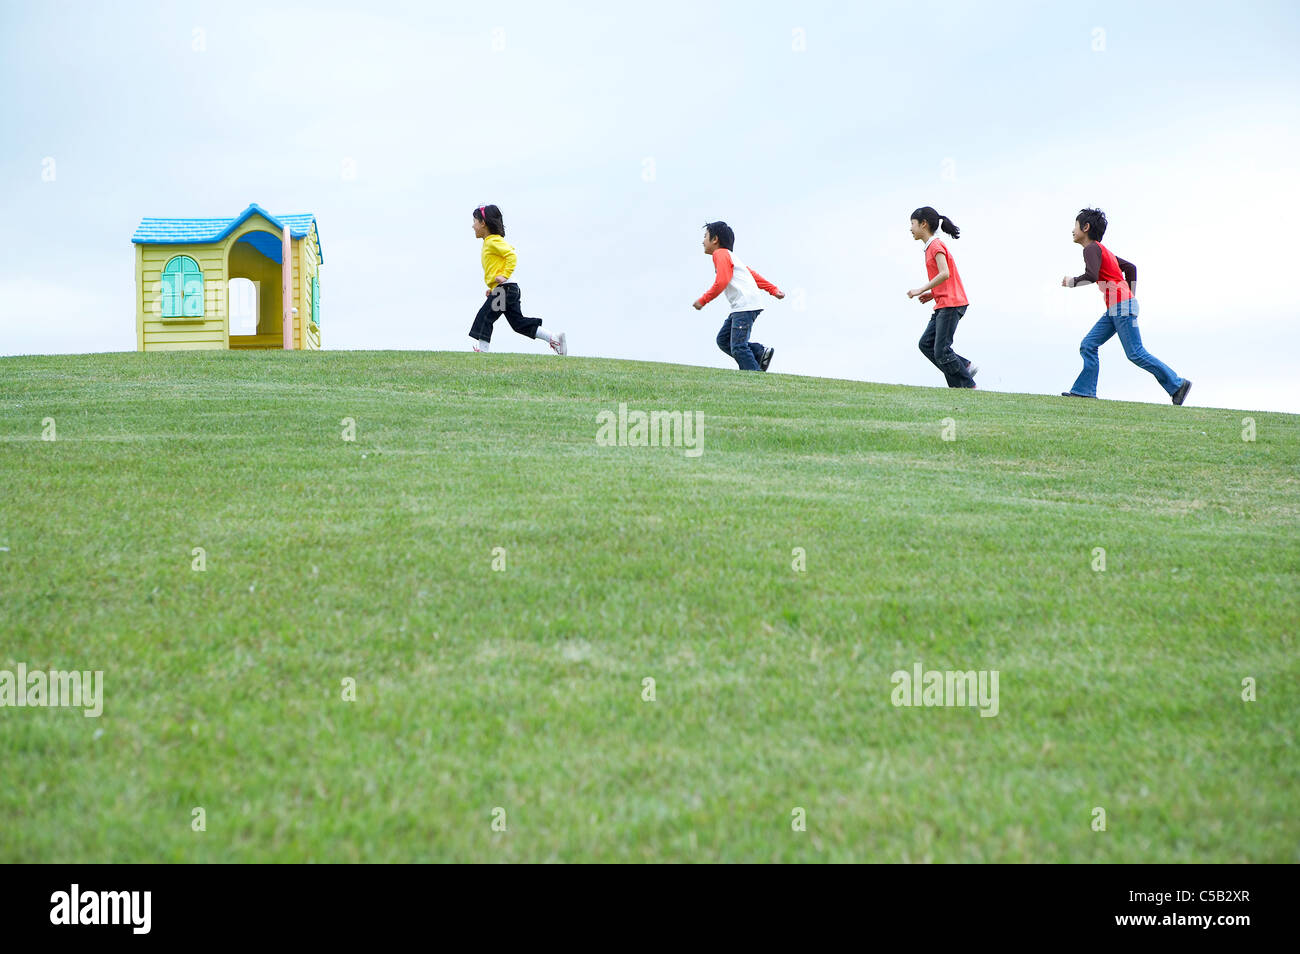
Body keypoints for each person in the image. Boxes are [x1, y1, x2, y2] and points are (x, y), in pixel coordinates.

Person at [1061, 208, 1190, 404]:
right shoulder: (1103, 251)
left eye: (1075, 226)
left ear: (1085, 227)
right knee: (1088, 344)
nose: (1073, 230)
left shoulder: (1091, 249)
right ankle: (1084, 391)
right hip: (1118, 307)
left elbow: (1092, 275)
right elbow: (1130, 268)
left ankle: (1177, 384)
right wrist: (1129, 296)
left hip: (1121, 306)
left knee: (1135, 353)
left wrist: (1072, 282)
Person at [466, 204, 567, 355]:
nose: (472, 226)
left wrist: (505, 276)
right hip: (507, 289)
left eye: (474, 221)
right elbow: (497, 266)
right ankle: (553, 338)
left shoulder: (493, 241)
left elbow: (511, 255)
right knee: (517, 323)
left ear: (483, 223)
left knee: (485, 316)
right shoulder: (490, 242)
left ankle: (483, 351)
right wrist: (493, 288)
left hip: (505, 289)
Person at [693, 221, 784, 371]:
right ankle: (760, 352)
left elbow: (722, 281)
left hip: (745, 305)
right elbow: (752, 275)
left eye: (705, 236)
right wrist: (773, 290)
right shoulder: (730, 257)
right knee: (723, 340)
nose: (702, 241)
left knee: (738, 347)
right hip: (744, 305)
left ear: (715, 239)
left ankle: (754, 376)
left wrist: (703, 300)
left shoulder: (720, 254)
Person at [906, 207, 977, 388]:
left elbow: (945, 273)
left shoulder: (935, 246)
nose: (910, 228)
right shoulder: (930, 247)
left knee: (942, 351)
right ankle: (964, 366)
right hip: (943, 302)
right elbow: (945, 277)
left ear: (923, 224)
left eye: (912, 224)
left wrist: (920, 289)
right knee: (926, 344)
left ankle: (967, 385)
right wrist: (933, 293)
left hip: (952, 304)